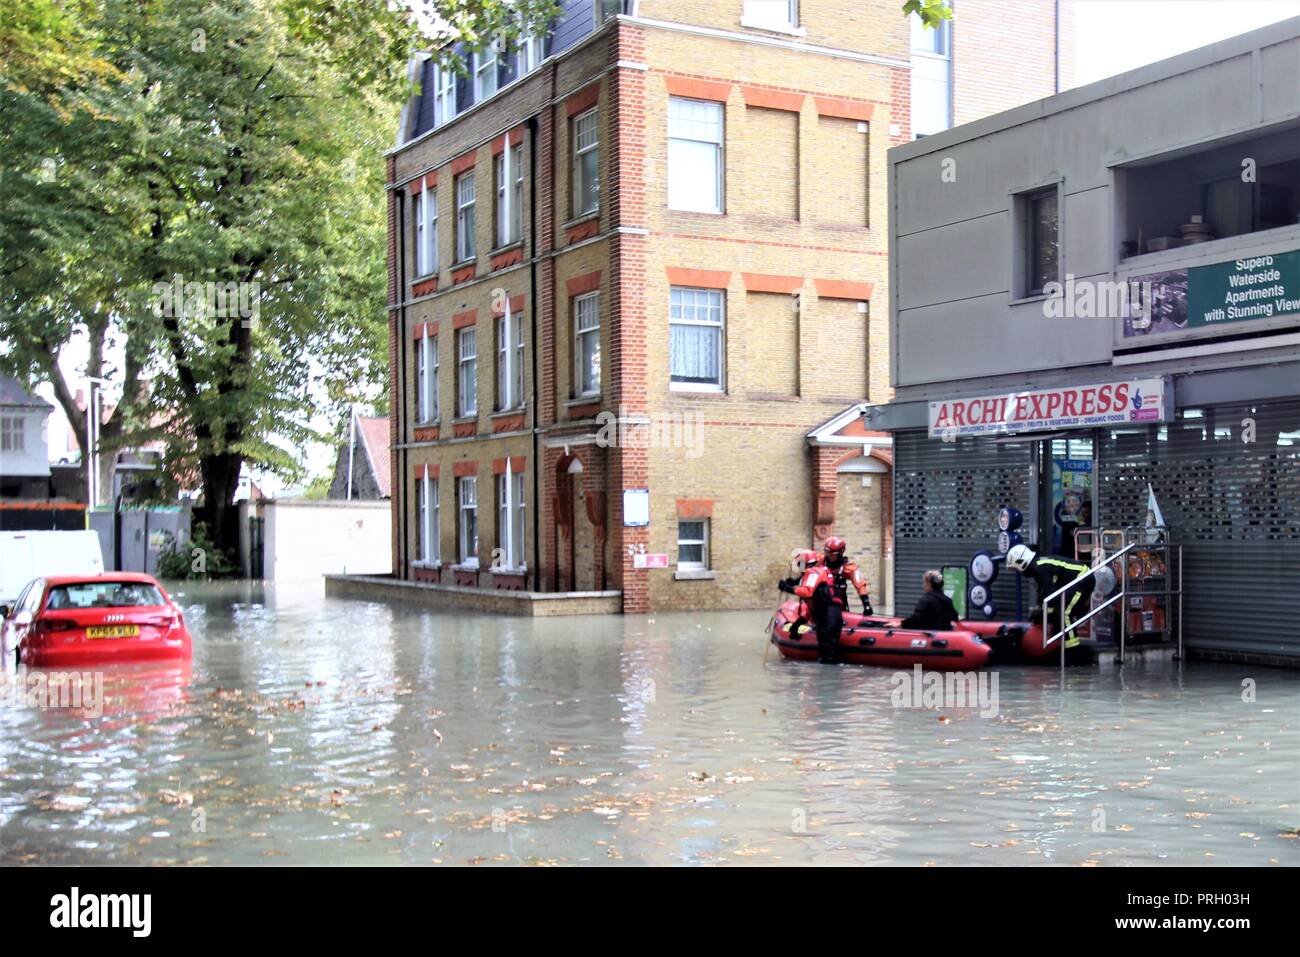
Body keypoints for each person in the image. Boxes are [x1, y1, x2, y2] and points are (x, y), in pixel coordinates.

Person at [1006, 544, 1093, 651]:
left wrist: (1041, 612)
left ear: (1021, 562)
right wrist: (1041, 610)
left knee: (1064, 613)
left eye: (1016, 569)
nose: (1019, 572)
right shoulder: (1037, 566)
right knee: (1055, 612)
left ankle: (1073, 651)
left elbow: (1050, 594)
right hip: (1079, 580)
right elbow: (1045, 593)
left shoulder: (1039, 567)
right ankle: (1062, 645)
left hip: (1083, 579)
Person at [778, 549, 842, 663]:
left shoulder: (814, 572)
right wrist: (796, 625)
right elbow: (811, 608)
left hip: (828, 617)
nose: (799, 568)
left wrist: (788, 588)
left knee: (827, 654)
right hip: (829, 615)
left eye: (799, 564)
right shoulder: (819, 572)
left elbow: (807, 591)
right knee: (827, 653)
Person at [820, 536, 874, 616]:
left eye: (833, 553)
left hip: (839, 605)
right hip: (820, 603)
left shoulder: (848, 567)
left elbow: (860, 584)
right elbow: (801, 558)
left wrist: (866, 604)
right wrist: (803, 574)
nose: (829, 556)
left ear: (840, 553)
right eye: (827, 552)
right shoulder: (820, 560)